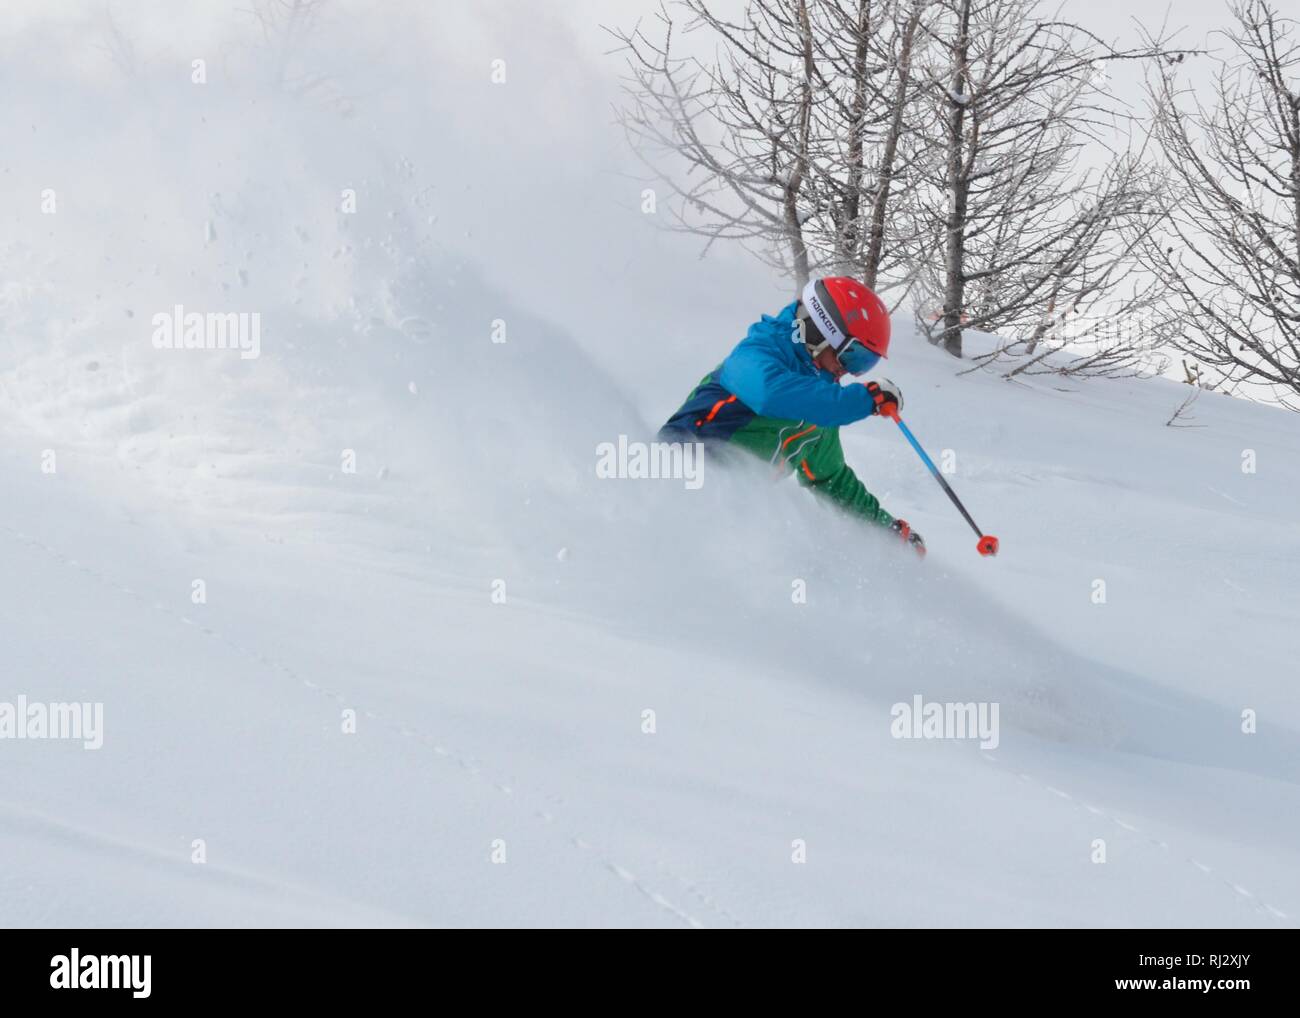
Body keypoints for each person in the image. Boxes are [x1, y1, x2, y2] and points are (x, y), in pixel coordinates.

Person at [659, 276, 925, 557]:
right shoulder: (760, 351)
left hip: (726, 528)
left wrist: (885, 529)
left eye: (864, 364)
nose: (850, 372)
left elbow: (830, 477)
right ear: (821, 332)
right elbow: (769, 393)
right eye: (853, 356)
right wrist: (861, 400)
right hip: (672, 490)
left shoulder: (822, 400)